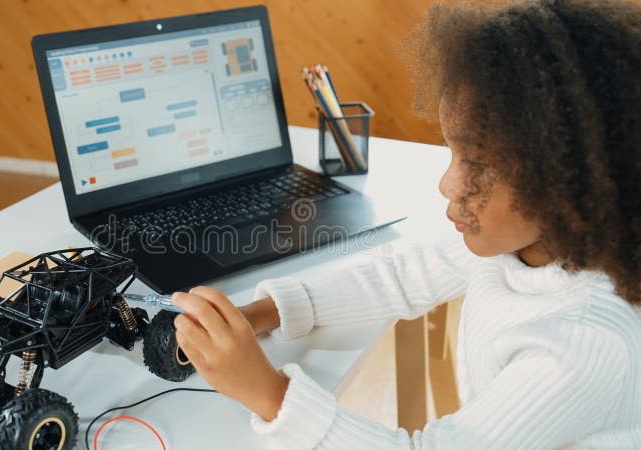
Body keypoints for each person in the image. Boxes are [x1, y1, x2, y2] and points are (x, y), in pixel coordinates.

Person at [170, 0, 641, 447]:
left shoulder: (583, 344)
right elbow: (400, 274)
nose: (447, 183)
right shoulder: (523, 247)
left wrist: (266, 393)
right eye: (453, 153)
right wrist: (259, 316)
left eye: (476, 165)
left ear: (565, 185)